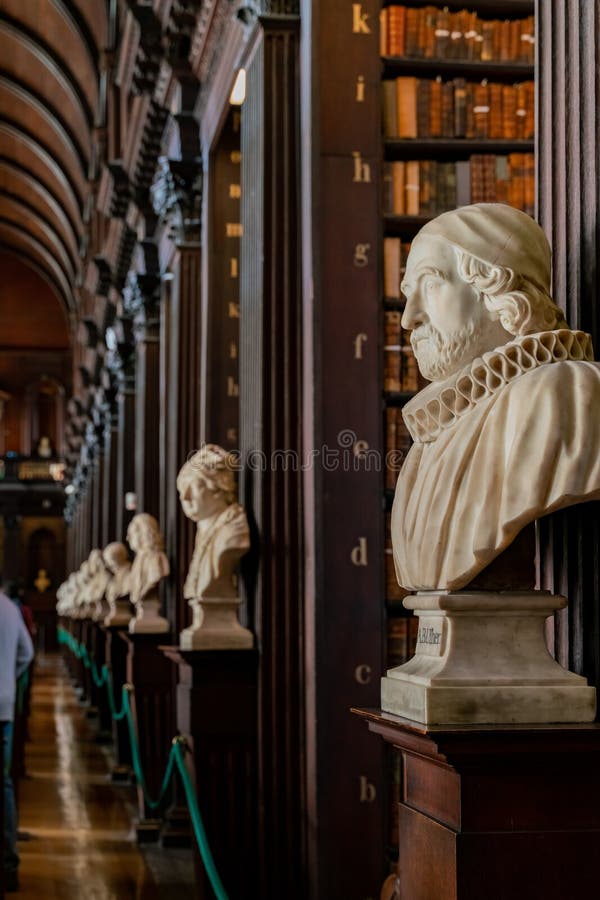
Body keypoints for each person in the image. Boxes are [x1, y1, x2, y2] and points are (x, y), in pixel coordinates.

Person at [392, 202, 600, 591]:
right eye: (407, 294)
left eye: (431, 284)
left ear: (496, 291)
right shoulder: (437, 427)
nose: (408, 318)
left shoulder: (567, 395)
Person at [0, 577, 34, 892]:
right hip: (4, 707)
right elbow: (27, 653)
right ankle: (8, 865)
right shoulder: (9, 608)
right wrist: (8, 683)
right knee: (4, 783)